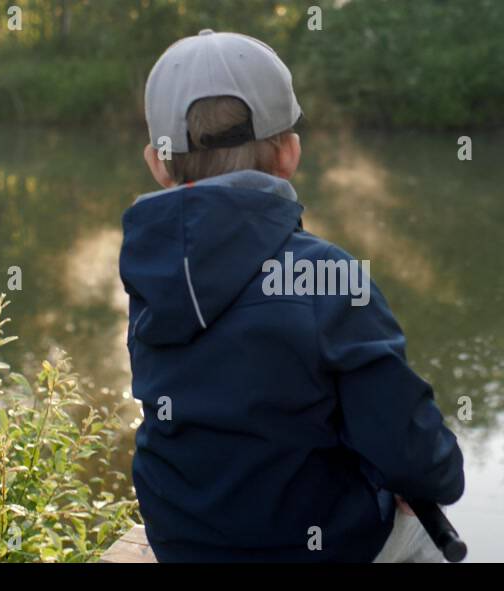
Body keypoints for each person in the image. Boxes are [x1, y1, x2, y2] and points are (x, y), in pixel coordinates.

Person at [119, 29, 464, 562]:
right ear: (289, 153)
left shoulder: (150, 274)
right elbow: (417, 459)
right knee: (423, 537)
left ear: (158, 164)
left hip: (182, 546)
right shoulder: (325, 275)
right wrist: (431, 472)